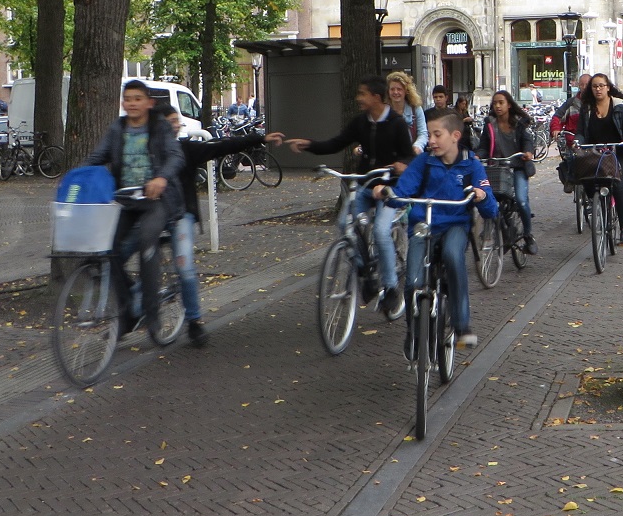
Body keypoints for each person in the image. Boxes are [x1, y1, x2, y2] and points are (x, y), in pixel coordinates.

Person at [153, 103, 284, 345]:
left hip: (181, 215)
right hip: (151, 214)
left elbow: (222, 146)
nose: (176, 126)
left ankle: (194, 321)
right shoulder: (144, 153)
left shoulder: (186, 150)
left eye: (176, 121)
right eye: (170, 122)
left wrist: (259, 138)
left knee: (185, 267)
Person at [285, 75, 414, 316]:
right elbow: (336, 143)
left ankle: (390, 288)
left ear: (376, 97)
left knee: (381, 231)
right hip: (366, 183)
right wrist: (309, 144)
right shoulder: (360, 122)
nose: (358, 98)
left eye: (363, 94)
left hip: (389, 188)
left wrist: (401, 165)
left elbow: (409, 156)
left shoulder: (396, 123)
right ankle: (366, 273)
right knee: (345, 224)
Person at [383, 111, 497, 356]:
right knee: (413, 282)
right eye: (429, 135)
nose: (431, 141)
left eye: (437, 135)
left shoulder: (471, 165)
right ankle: (414, 333)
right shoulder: (423, 163)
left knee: (453, 256)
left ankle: (461, 325)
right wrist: (388, 194)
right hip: (423, 225)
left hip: (455, 224)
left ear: (455, 136)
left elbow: (491, 209)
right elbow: (402, 191)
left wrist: (482, 196)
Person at [84, 80, 186, 340]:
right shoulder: (117, 128)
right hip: (127, 201)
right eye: (128, 99)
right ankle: (127, 312)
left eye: (137, 99)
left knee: (146, 243)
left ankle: (153, 315)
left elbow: (176, 156)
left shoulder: (160, 126)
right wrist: (78, 176)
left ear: (149, 103)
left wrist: (161, 178)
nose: (132, 103)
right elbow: (98, 157)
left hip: (156, 201)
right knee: (109, 250)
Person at [575, 73, 623, 246]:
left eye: (601, 86)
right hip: (595, 153)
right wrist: (578, 142)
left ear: (608, 87)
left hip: (618, 153)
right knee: (587, 179)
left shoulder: (619, 106)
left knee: (619, 187)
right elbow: (580, 132)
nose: (598, 89)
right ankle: (595, 205)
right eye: (594, 86)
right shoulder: (587, 109)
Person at [476, 90, 538, 255]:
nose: (497, 106)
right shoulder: (490, 124)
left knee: (521, 201)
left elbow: (527, 140)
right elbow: (483, 146)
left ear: (509, 105)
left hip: (517, 167)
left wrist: (528, 152)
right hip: (497, 168)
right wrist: (478, 155)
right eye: (495, 103)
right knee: (491, 199)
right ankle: (504, 231)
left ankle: (528, 235)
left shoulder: (519, 124)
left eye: (501, 102)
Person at [551, 73, 591, 193]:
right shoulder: (571, 103)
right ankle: (570, 179)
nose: (584, 87)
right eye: (582, 84)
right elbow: (557, 117)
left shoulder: (598, 102)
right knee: (571, 158)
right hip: (573, 140)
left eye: (587, 84)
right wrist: (555, 129)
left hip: (592, 141)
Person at [387, 71, 428, 155]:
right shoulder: (384, 110)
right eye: (392, 89)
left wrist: (417, 147)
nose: (395, 92)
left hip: (411, 155)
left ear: (406, 91)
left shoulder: (415, 109)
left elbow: (423, 133)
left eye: (399, 89)